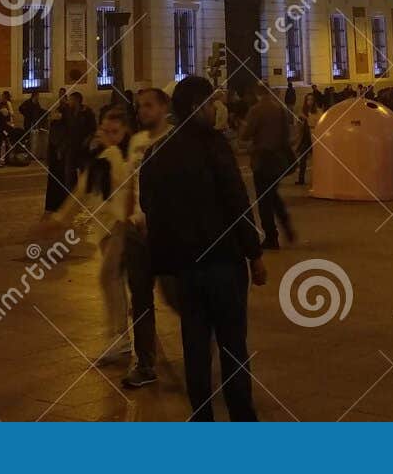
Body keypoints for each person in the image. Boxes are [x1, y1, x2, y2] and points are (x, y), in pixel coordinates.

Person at [138, 75, 266, 422]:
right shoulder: (214, 146)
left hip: (185, 269)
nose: (216, 110)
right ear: (197, 107)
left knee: (194, 348)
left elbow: (148, 205)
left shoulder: (155, 153)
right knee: (232, 346)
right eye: (211, 104)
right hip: (224, 264)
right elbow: (237, 201)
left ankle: (202, 419)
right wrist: (254, 254)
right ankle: (242, 418)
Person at [49, 105, 135, 368]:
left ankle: (121, 339)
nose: (109, 135)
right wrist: (59, 219)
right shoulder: (101, 158)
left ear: (125, 132)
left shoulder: (117, 156)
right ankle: (125, 337)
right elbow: (81, 191)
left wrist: (60, 220)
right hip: (107, 228)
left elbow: (124, 186)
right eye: (105, 129)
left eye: (115, 131)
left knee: (108, 277)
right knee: (119, 282)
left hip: (121, 226)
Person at [120, 86, 172, 388]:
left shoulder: (174, 140)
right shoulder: (138, 142)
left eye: (149, 106)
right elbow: (130, 184)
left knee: (181, 296)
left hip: (167, 232)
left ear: (164, 108)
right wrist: (128, 220)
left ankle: (201, 349)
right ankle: (146, 362)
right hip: (137, 234)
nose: (142, 111)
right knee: (140, 298)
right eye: (140, 106)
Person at [241, 84, 297, 250]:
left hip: (262, 159)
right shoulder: (279, 109)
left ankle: (271, 237)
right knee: (272, 195)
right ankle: (286, 225)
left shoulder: (256, 110)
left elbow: (246, 135)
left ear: (257, 93)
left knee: (264, 200)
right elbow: (286, 134)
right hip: (277, 159)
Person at [295, 92, 318, 185]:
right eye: (308, 99)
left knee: (317, 160)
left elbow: (316, 124)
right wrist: (300, 119)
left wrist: (307, 118)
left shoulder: (317, 111)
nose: (310, 102)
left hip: (313, 138)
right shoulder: (302, 111)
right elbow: (297, 124)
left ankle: (318, 179)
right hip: (304, 138)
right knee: (302, 160)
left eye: (311, 99)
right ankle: (301, 179)